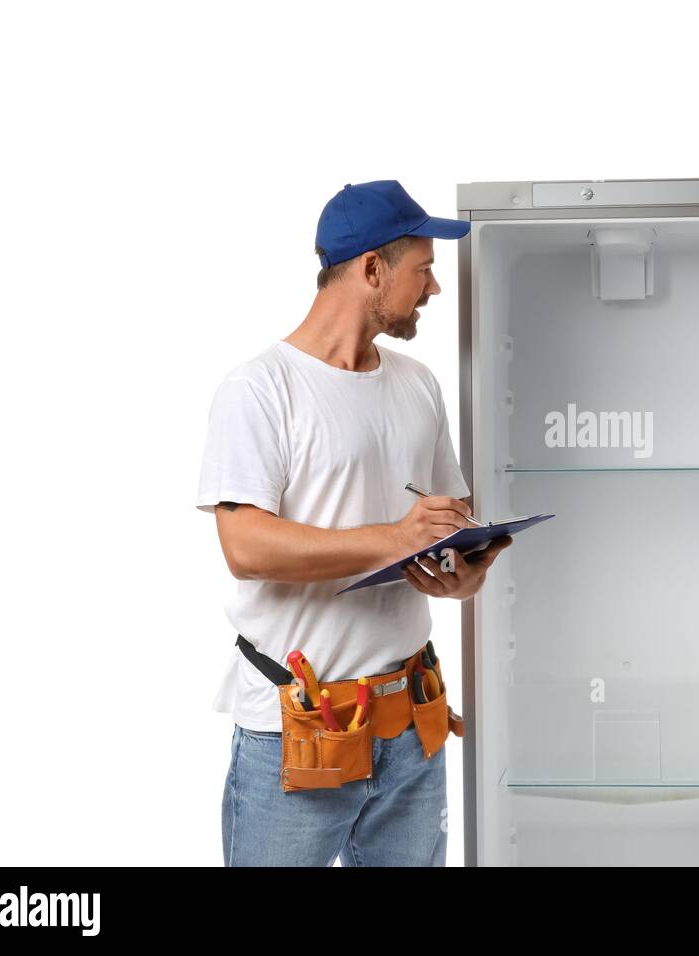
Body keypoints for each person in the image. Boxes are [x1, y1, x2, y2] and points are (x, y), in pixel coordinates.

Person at [194, 180, 511, 866]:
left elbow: (441, 520)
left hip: (410, 725)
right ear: (373, 269)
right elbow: (244, 545)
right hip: (299, 730)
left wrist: (458, 574)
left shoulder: (417, 383)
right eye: (423, 270)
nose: (432, 289)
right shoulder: (260, 388)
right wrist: (396, 538)